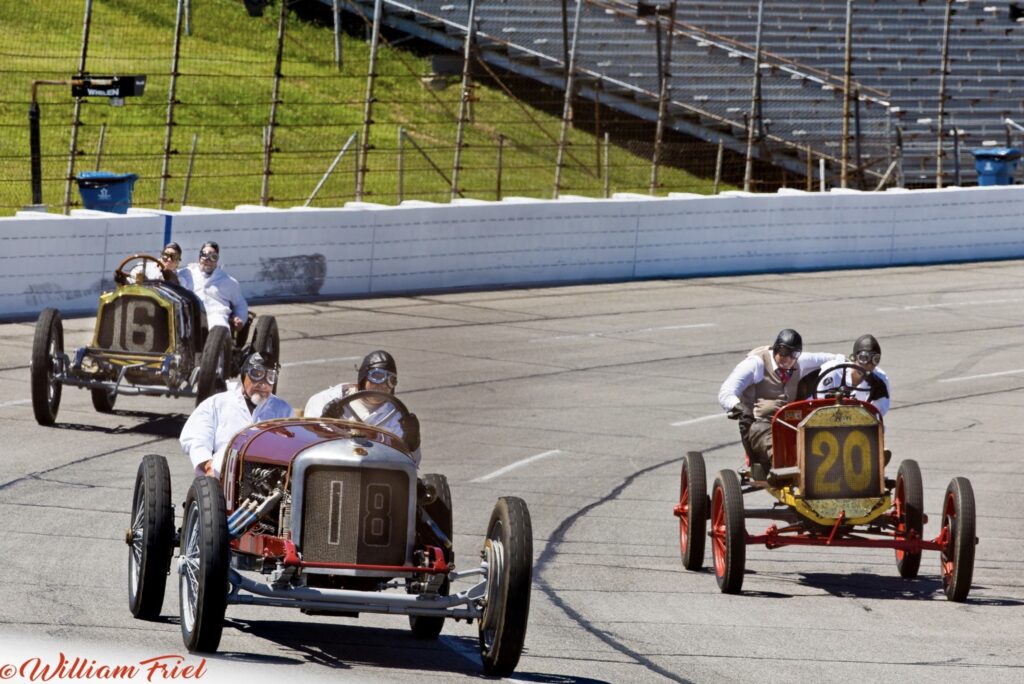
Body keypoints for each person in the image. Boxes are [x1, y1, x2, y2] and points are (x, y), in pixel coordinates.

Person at [718, 329, 844, 475]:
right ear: (776, 348)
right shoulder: (757, 363)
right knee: (779, 448)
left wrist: (864, 367)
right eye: (784, 352)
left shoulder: (798, 362)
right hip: (762, 424)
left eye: (794, 354)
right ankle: (789, 471)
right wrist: (739, 407)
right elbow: (726, 392)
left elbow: (837, 359)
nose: (788, 359)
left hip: (792, 422)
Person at [180, 351, 293, 477]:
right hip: (221, 478)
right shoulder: (216, 403)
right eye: (257, 374)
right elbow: (196, 437)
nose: (263, 383)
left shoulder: (283, 410)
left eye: (270, 377)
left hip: (267, 480)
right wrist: (207, 466)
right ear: (243, 376)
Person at [304, 350, 422, 465]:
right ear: (364, 377)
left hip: (377, 471)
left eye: (391, 380)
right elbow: (306, 442)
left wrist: (413, 441)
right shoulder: (327, 399)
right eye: (377, 376)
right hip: (332, 464)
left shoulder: (397, 417)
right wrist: (325, 421)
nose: (382, 385)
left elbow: (411, 464)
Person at [177, 241, 248, 332]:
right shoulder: (186, 273)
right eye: (205, 255)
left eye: (213, 257)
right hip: (190, 314)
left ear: (217, 260)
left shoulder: (228, 281)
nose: (208, 260)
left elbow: (240, 303)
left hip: (216, 315)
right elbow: (168, 279)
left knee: (218, 330)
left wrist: (239, 317)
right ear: (199, 257)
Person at [816, 334, 891, 416]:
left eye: (875, 360)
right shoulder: (833, 372)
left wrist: (878, 394)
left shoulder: (880, 379)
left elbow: (878, 413)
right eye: (864, 358)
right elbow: (818, 404)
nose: (869, 365)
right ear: (854, 357)